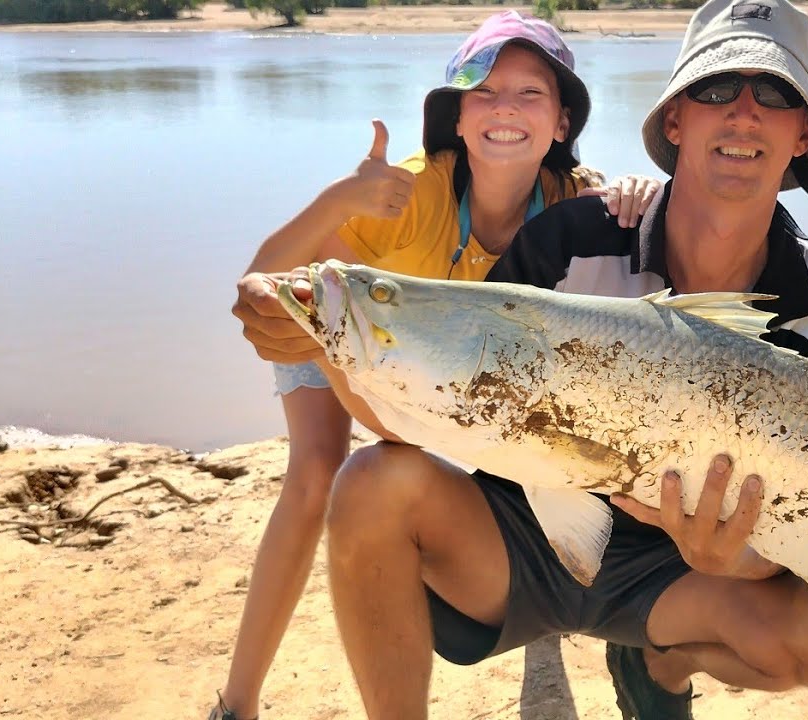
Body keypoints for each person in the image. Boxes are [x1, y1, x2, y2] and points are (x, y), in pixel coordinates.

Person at [231, 1, 808, 718]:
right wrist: (331, 339)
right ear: (674, 119)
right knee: (365, 482)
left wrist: (738, 558)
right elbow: (443, 406)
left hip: (680, 579)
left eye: (777, 94)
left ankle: (661, 664)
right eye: (717, 90)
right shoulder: (567, 235)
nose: (745, 114)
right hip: (518, 548)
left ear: (804, 132)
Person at [213, 11, 660, 720]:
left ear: (563, 123)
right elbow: (263, 275)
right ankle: (235, 703)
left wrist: (641, 193)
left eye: (529, 94)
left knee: (524, 440)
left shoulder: (572, 199)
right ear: (454, 119)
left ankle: (544, 619)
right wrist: (341, 200)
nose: (504, 109)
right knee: (315, 475)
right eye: (482, 91)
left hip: (424, 358)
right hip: (328, 319)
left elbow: (645, 229)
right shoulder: (412, 191)